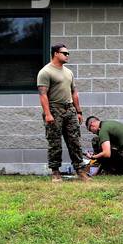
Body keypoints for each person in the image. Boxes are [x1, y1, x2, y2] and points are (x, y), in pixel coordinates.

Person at [37, 43, 88, 182]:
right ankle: (55, 172)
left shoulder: (68, 72)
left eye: (68, 53)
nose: (67, 56)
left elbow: (74, 92)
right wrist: (47, 114)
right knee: (55, 142)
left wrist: (78, 111)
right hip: (54, 109)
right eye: (64, 53)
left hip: (69, 108)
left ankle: (80, 170)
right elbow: (43, 95)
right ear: (55, 54)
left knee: (75, 141)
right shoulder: (45, 72)